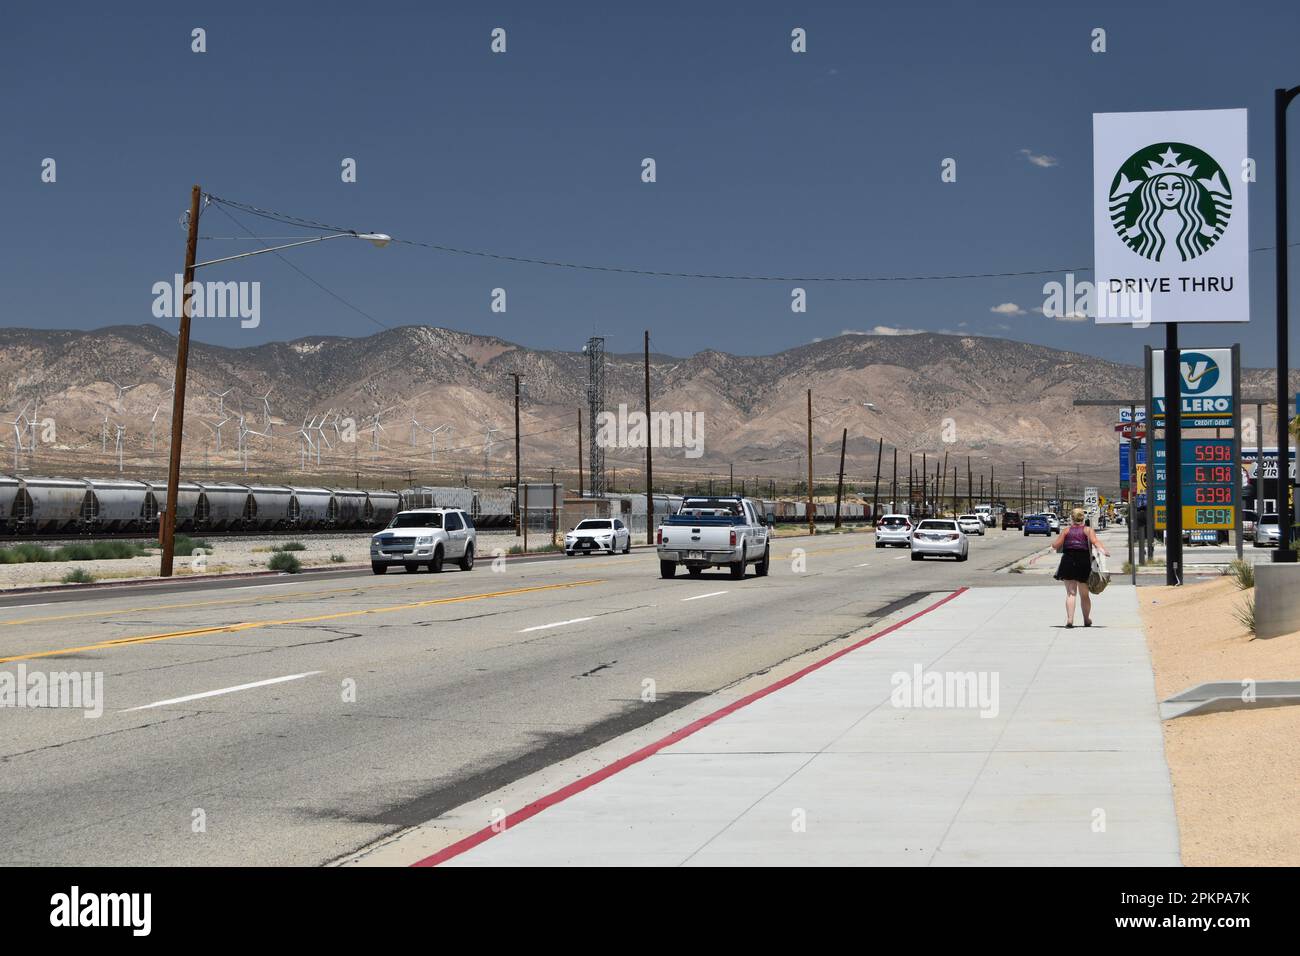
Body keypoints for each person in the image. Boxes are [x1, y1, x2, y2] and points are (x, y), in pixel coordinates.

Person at [1052, 507, 1109, 628]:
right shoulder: (1088, 530)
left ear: (1071, 518)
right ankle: (1086, 619)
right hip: (1083, 563)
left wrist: (1055, 543)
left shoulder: (1066, 531)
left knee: (1071, 593)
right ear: (1083, 518)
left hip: (1068, 562)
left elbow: (1056, 545)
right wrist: (1103, 550)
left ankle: (1070, 619)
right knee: (1084, 595)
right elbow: (1096, 542)